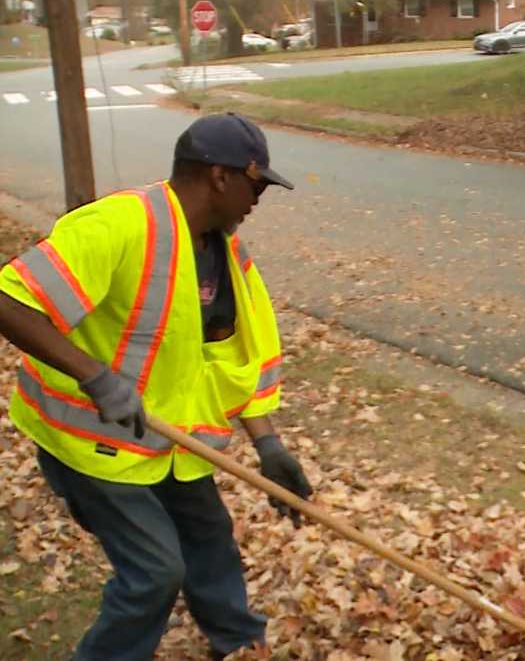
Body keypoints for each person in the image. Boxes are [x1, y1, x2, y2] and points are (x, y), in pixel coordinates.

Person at [0, 113, 313, 660]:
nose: (259, 198)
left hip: (165, 442)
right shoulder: (121, 225)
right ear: (220, 176)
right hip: (89, 444)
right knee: (154, 571)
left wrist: (267, 443)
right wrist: (93, 375)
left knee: (209, 536)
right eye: (256, 182)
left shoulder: (224, 251)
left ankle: (239, 644)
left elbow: (225, 357)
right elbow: (9, 301)